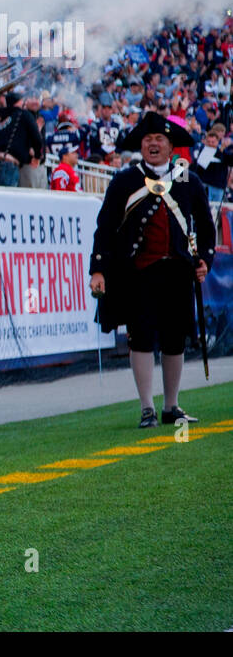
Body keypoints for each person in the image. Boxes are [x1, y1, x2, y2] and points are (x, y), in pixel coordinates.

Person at [90, 112, 214, 428]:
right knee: (141, 339)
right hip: (137, 273)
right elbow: (104, 228)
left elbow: (205, 224)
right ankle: (147, 408)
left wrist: (205, 260)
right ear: (141, 146)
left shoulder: (188, 179)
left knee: (175, 339)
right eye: (148, 140)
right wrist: (99, 269)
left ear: (171, 146)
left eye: (159, 139)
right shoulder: (124, 181)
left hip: (177, 272)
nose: (153, 144)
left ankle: (171, 406)